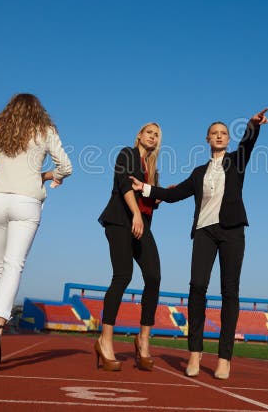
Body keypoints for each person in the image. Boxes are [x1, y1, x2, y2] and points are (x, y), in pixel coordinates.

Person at [130, 108, 268, 380]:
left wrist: (253, 126)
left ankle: (224, 358)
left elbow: (248, 143)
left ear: (227, 139)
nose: (219, 136)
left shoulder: (236, 161)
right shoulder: (198, 173)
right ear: (207, 139)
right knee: (197, 288)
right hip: (204, 231)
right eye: (214, 133)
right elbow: (174, 194)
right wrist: (145, 188)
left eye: (223, 133)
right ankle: (195, 353)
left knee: (230, 292)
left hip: (232, 232)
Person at [0, 93, 72, 371]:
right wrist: (48, 176)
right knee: (14, 265)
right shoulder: (46, 131)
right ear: (38, 111)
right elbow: (66, 166)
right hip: (27, 202)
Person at [96, 123, 163, 371]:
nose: (153, 137)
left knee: (154, 276)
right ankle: (105, 340)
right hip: (120, 220)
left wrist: (160, 195)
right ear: (139, 135)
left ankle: (143, 338)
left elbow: (151, 201)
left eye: (156, 135)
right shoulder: (126, 153)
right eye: (149, 133)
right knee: (123, 276)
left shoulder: (153, 168)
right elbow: (124, 185)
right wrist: (135, 213)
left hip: (141, 224)